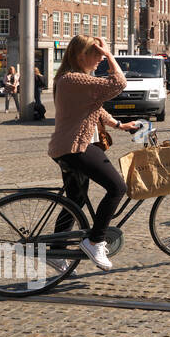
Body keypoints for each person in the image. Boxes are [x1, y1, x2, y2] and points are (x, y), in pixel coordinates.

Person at [48, 36, 143, 269]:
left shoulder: (74, 80)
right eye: (98, 53)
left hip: (67, 147)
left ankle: (56, 252)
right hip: (76, 148)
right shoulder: (72, 79)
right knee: (118, 187)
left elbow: (96, 109)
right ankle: (95, 241)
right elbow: (119, 83)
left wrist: (119, 125)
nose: (101, 58)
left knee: (75, 201)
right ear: (82, 55)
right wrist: (112, 55)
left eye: (103, 54)